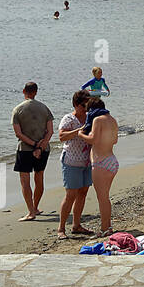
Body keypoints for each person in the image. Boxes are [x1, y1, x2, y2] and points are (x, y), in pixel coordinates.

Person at [12, 81, 54, 221]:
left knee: (25, 181)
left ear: (24, 91)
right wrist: (40, 147)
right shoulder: (44, 108)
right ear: (36, 92)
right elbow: (50, 131)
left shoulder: (17, 109)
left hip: (25, 149)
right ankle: (35, 207)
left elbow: (18, 134)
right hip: (43, 149)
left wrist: (34, 144)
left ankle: (31, 211)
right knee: (39, 177)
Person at [79, 97, 120, 235]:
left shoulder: (97, 120)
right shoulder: (112, 120)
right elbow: (114, 140)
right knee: (105, 197)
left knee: (102, 198)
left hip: (100, 163)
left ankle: (104, 228)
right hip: (111, 160)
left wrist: (81, 134)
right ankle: (107, 226)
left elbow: (93, 139)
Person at [56, 90, 94, 238]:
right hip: (71, 160)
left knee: (83, 193)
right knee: (70, 195)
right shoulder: (68, 118)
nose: (87, 108)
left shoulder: (90, 117)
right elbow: (61, 136)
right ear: (77, 105)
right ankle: (61, 229)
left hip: (86, 160)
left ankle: (76, 225)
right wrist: (79, 130)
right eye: (85, 105)